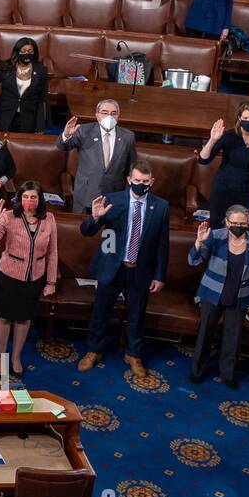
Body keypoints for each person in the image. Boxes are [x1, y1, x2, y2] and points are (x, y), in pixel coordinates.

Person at [78, 161, 170, 383]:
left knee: (137, 315)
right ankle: (94, 350)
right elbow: (86, 231)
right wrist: (96, 216)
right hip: (112, 267)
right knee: (101, 311)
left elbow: (162, 244)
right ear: (129, 180)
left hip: (141, 271)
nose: (140, 185)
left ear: (152, 182)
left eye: (145, 182)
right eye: (136, 181)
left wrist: (159, 275)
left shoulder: (161, 206)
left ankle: (134, 355)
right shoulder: (112, 199)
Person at [0, 185, 58, 378]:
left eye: (33, 197)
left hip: (34, 278)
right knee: (4, 317)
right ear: (19, 198)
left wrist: (51, 282)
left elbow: (52, 251)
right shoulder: (8, 217)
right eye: (25, 196)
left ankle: (15, 358)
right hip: (9, 276)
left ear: (39, 199)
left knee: (24, 318)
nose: (29, 200)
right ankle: (0, 358)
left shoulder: (49, 219)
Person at [188, 208, 249, 389]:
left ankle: (228, 374)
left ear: (248, 223)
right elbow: (193, 261)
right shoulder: (215, 236)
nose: (238, 227)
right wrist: (199, 241)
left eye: (242, 224)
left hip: (239, 297)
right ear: (226, 222)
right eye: (234, 223)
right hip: (212, 293)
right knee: (205, 334)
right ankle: (197, 370)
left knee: (233, 338)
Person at [58, 98, 137, 214]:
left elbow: (131, 168)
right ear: (97, 115)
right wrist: (66, 135)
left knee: (108, 231)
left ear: (118, 115)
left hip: (113, 195)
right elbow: (63, 146)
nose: (109, 117)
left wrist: (128, 195)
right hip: (85, 193)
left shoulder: (128, 137)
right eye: (104, 113)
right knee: (81, 229)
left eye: (113, 113)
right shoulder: (84, 131)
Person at [197, 107, 249, 223]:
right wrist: (212, 139)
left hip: (247, 193)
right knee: (218, 230)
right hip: (223, 191)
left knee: (241, 231)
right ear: (239, 118)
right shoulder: (228, 136)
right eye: (245, 118)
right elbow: (203, 160)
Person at [0, 38, 49, 133]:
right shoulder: (6, 66)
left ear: (34, 53)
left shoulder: (41, 70)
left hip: (28, 117)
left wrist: (40, 125)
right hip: (4, 114)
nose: (27, 54)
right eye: (23, 51)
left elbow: (42, 99)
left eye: (30, 51)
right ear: (17, 52)